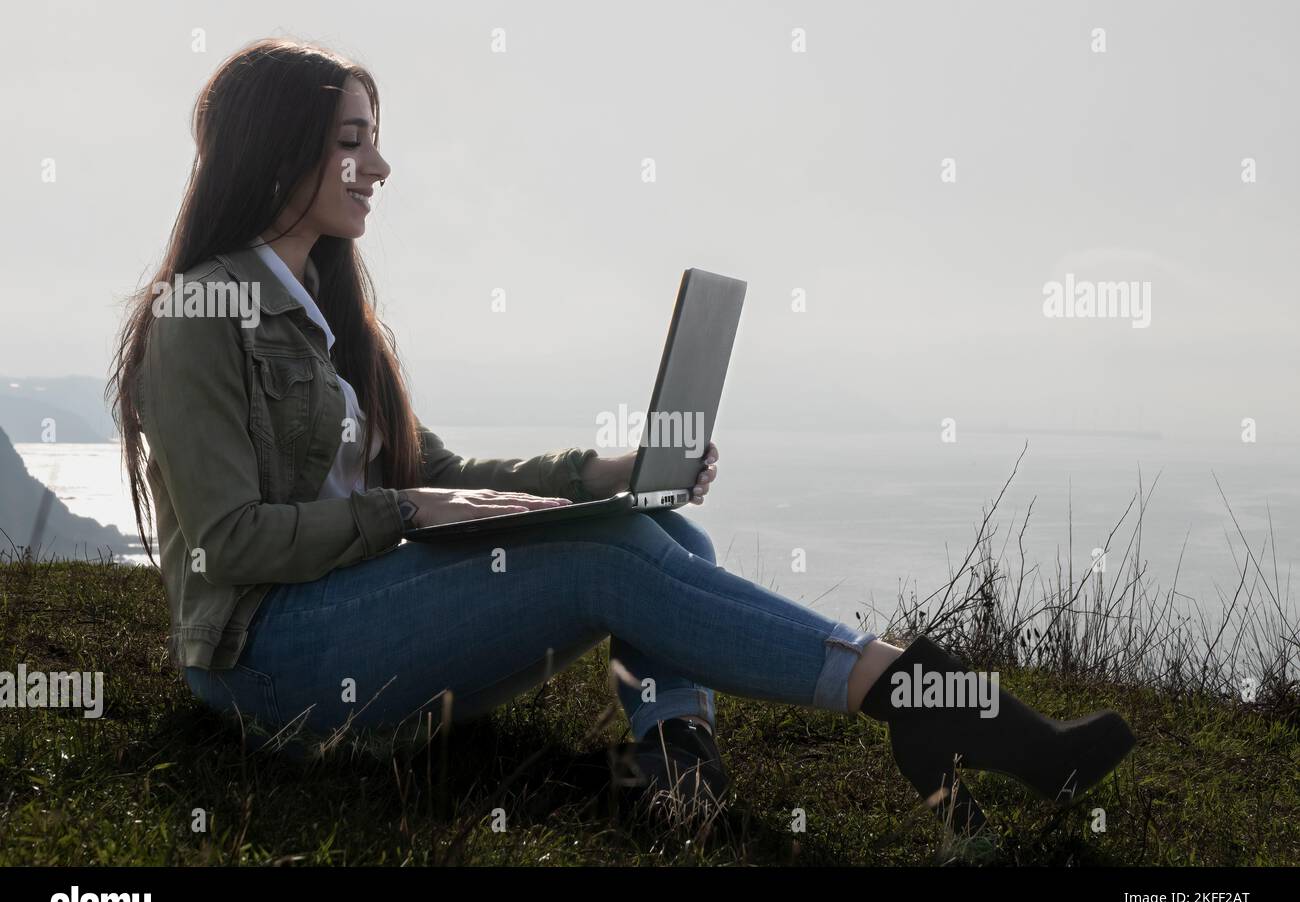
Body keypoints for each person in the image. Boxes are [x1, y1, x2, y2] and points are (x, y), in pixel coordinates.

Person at [107, 38, 1135, 836]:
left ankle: (680, 769)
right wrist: (405, 511)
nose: (379, 162)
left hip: (348, 619)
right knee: (608, 561)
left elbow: (437, 469)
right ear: (272, 146)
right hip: (269, 661)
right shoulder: (200, 313)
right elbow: (228, 540)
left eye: (373, 136)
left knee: (658, 532)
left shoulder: (329, 310)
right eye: (350, 139)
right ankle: (925, 698)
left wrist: (606, 470)